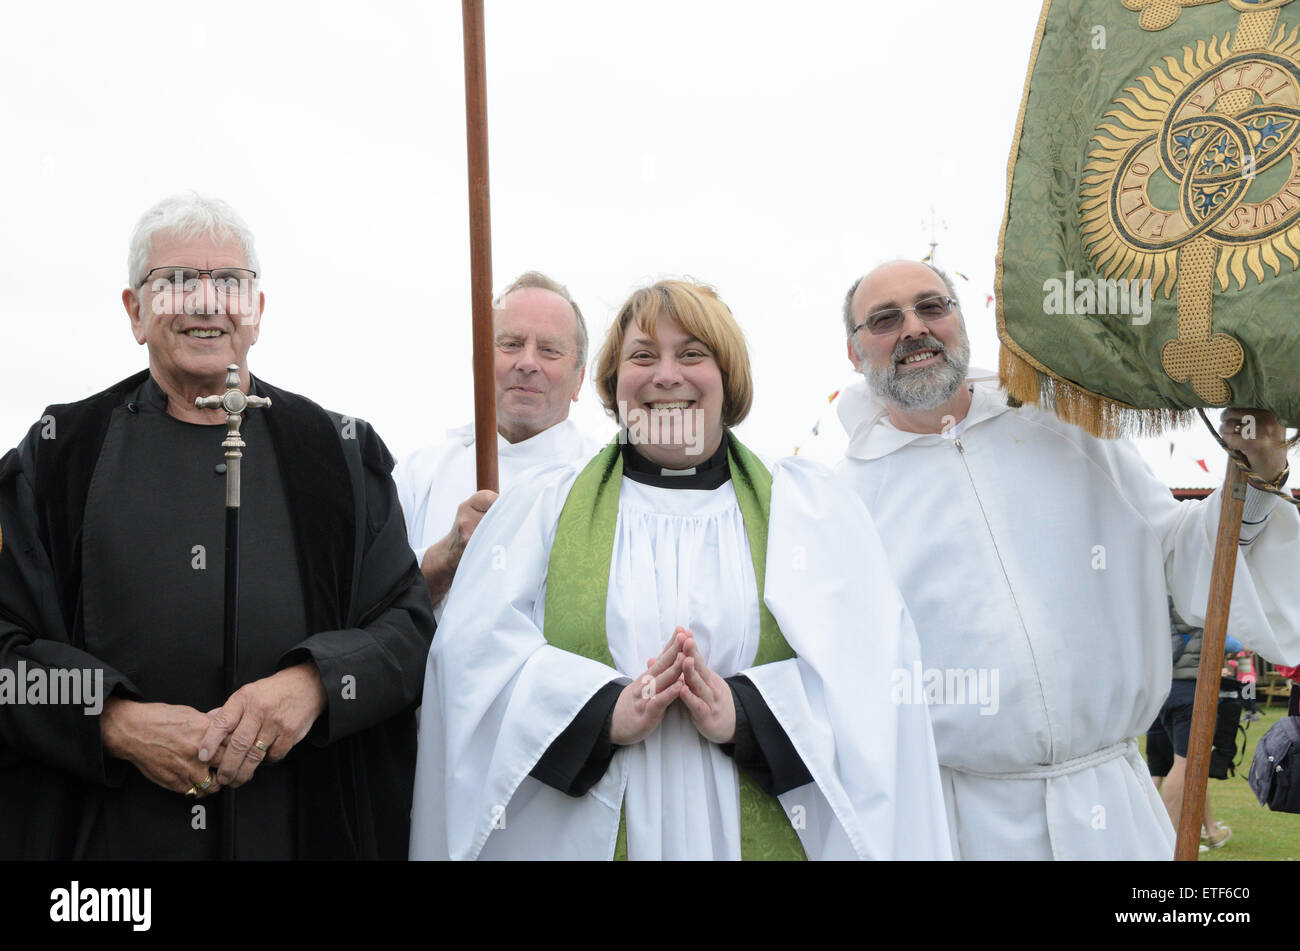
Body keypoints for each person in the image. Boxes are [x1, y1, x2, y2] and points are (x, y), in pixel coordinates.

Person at [410, 279, 950, 860]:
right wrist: (600, 712)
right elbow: (469, 659)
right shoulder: (541, 506)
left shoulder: (808, 510)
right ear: (615, 382)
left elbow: (872, 671)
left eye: (692, 354)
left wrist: (745, 715)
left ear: (729, 378)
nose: (666, 376)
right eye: (643, 356)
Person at [0, 193, 436, 859]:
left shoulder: (338, 455)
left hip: (295, 830)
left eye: (229, 281)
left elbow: (406, 631)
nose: (206, 302)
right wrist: (110, 721)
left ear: (257, 309)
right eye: (175, 281)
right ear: (134, 312)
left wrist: (316, 683)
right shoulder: (59, 457)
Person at [832, 258, 1300, 860]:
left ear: (960, 319)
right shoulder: (843, 501)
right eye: (884, 319)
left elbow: (1182, 552)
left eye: (931, 307)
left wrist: (1256, 479)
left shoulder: (1066, 427)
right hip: (961, 822)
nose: (913, 329)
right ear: (853, 352)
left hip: (1114, 810)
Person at [394, 271, 603, 616]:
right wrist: (445, 557)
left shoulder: (604, 479)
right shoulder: (418, 475)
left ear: (579, 380)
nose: (527, 363)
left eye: (550, 350)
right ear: (480, 362)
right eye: (511, 344)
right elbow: (373, 608)